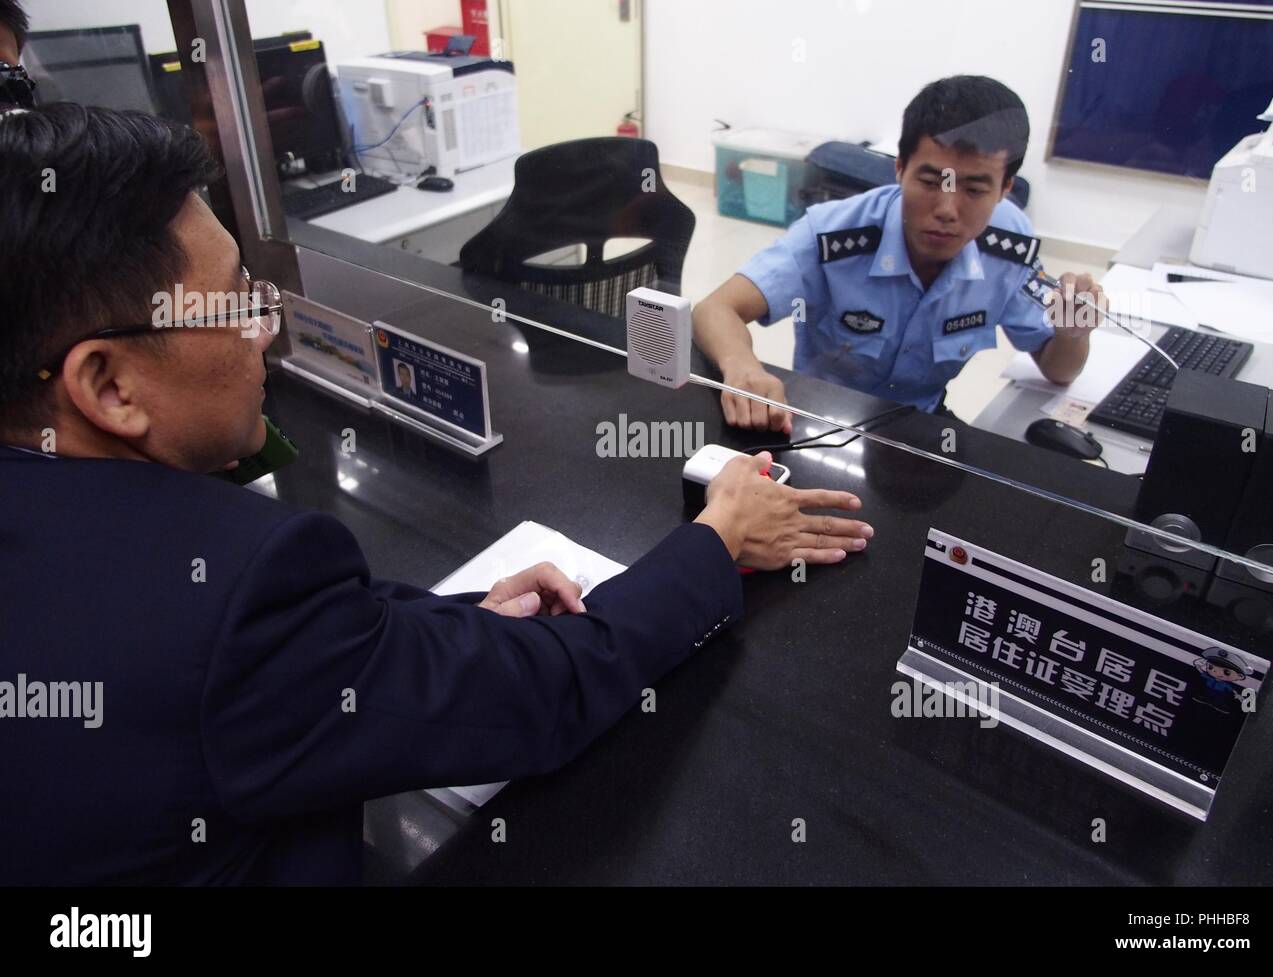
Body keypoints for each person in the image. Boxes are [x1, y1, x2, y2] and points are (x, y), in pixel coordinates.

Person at [0, 92, 874, 883]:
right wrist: (718, 537)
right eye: (234, 304)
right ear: (108, 385)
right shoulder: (238, 588)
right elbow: (551, 688)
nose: (266, 328)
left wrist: (438, 635)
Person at [693, 75, 1106, 434]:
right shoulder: (834, 234)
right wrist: (741, 366)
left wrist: (1074, 332)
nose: (946, 209)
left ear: (1005, 189)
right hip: (820, 422)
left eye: (975, 190)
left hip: (921, 427)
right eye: (929, 181)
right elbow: (716, 309)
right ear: (900, 168)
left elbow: (1059, 370)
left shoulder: (1009, 245)